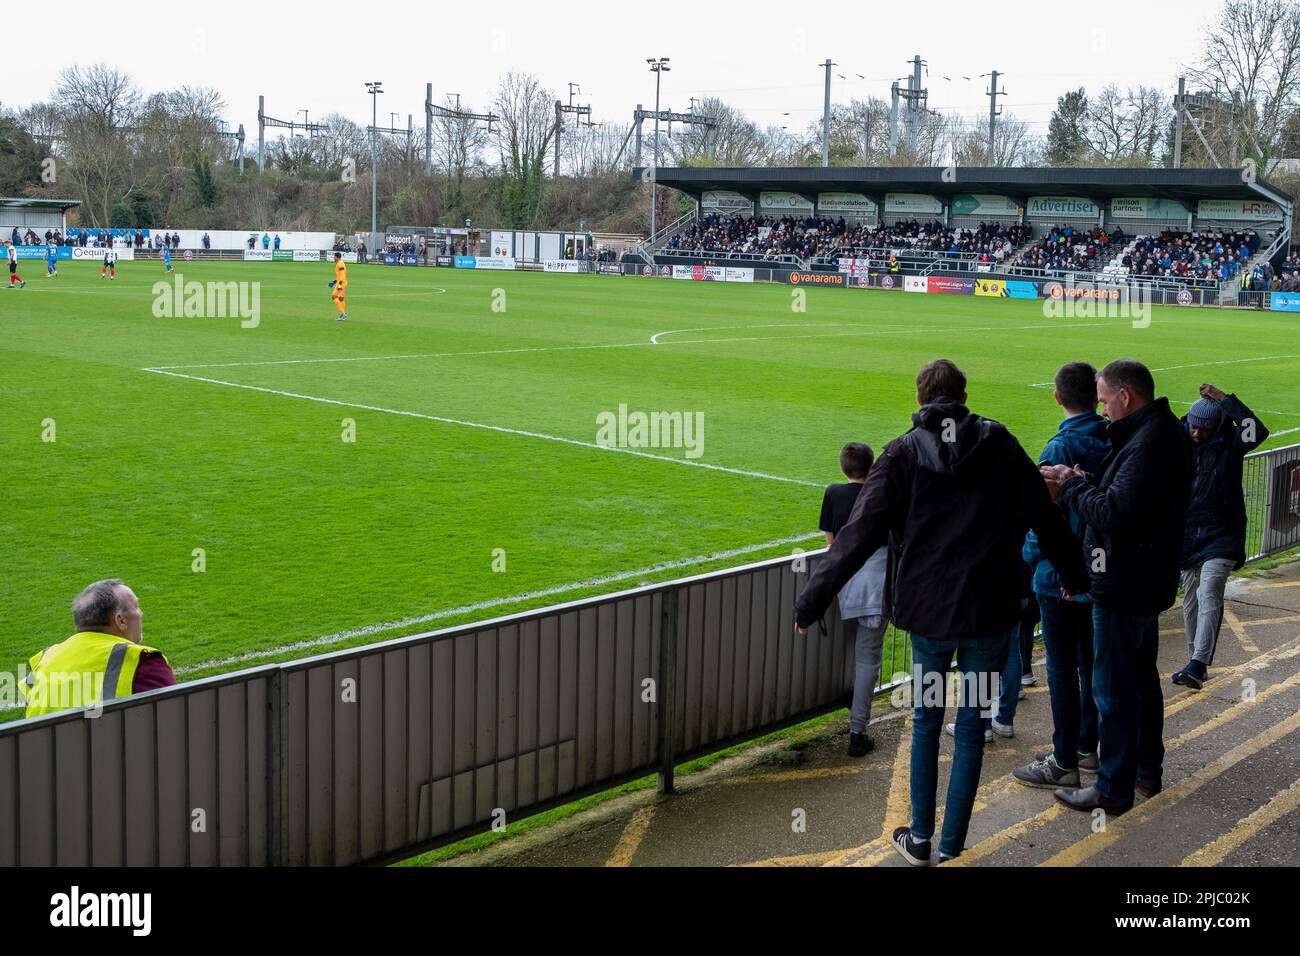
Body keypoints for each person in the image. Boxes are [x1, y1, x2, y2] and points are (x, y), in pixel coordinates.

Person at [795, 359, 1088, 865]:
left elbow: (857, 535)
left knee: (928, 722)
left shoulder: (901, 453)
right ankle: (952, 847)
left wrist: (811, 600)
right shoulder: (999, 443)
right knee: (970, 727)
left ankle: (921, 838)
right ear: (964, 398)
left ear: (919, 400)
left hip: (930, 616)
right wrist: (1076, 576)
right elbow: (1045, 515)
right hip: (987, 613)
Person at [1044, 359, 1192, 814]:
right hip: (1145, 580)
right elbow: (1126, 498)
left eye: (1105, 400)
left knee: (1112, 689)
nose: (1103, 409)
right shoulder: (1159, 431)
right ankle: (1146, 772)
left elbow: (1114, 513)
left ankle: (1111, 788)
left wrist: (1069, 487)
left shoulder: (1149, 441)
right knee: (1141, 682)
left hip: (1125, 584)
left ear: (1125, 396)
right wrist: (1084, 480)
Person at [1012, 362, 1109, 789]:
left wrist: (1030, 556)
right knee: (1090, 666)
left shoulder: (1059, 448)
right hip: (1099, 572)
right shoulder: (1112, 438)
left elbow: (1044, 519)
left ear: (1057, 397)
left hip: (1059, 576)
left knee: (1062, 671)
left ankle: (1064, 760)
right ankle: (1085, 748)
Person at [1174, 385, 1269, 689]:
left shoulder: (1233, 442)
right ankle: (1194, 662)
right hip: (1187, 535)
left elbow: (1258, 430)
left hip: (1222, 533)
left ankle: (1198, 662)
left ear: (1217, 425)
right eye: (1194, 425)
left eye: (1204, 427)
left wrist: (1226, 400)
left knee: (1209, 590)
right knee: (1190, 599)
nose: (1197, 432)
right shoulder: (1179, 438)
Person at [814, 442, 889, 757]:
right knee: (867, 659)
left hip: (842, 586)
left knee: (849, 654)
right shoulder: (882, 494)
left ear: (843, 467)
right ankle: (857, 731)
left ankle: (851, 708)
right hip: (875, 589)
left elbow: (831, 544)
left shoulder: (833, 493)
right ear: (871, 467)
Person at [20, 580, 175, 718]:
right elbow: (173, 720)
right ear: (120, 620)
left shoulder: (43, 659)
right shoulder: (142, 661)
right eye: (136, 606)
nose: (141, 613)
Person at [329, 251, 347, 320]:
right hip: (342, 282)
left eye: (334, 257)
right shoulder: (339, 263)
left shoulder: (340, 263)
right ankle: (343, 314)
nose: (333, 258)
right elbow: (338, 276)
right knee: (341, 298)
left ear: (337, 257)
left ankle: (343, 313)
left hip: (341, 283)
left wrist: (340, 284)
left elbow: (342, 274)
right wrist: (333, 282)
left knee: (334, 297)